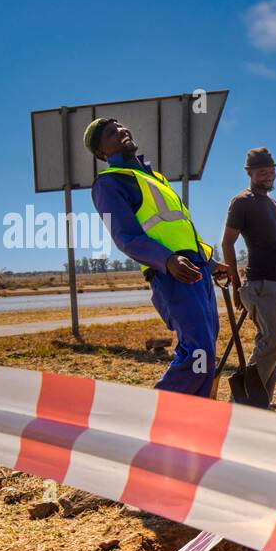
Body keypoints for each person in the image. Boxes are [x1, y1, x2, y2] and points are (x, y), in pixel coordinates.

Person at [85, 117, 226, 397]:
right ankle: (153, 418)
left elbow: (181, 228)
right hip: (171, 274)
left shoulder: (155, 179)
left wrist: (211, 263)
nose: (122, 131)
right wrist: (167, 260)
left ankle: (190, 425)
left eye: (122, 127)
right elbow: (125, 236)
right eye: (111, 133)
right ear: (102, 152)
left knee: (206, 351)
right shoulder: (108, 183)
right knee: (198, 352)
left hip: (196, 270)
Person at [221, 147, 276, 401]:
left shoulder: (272, 203)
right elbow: (227, 243)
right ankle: (240, 403)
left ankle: (261, 404)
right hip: (260, 283)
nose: (268, 175)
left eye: (271, 170)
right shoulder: (242, 202)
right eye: (262, 171)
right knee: (271, 341)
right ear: (249, 173)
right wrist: (236, 285)